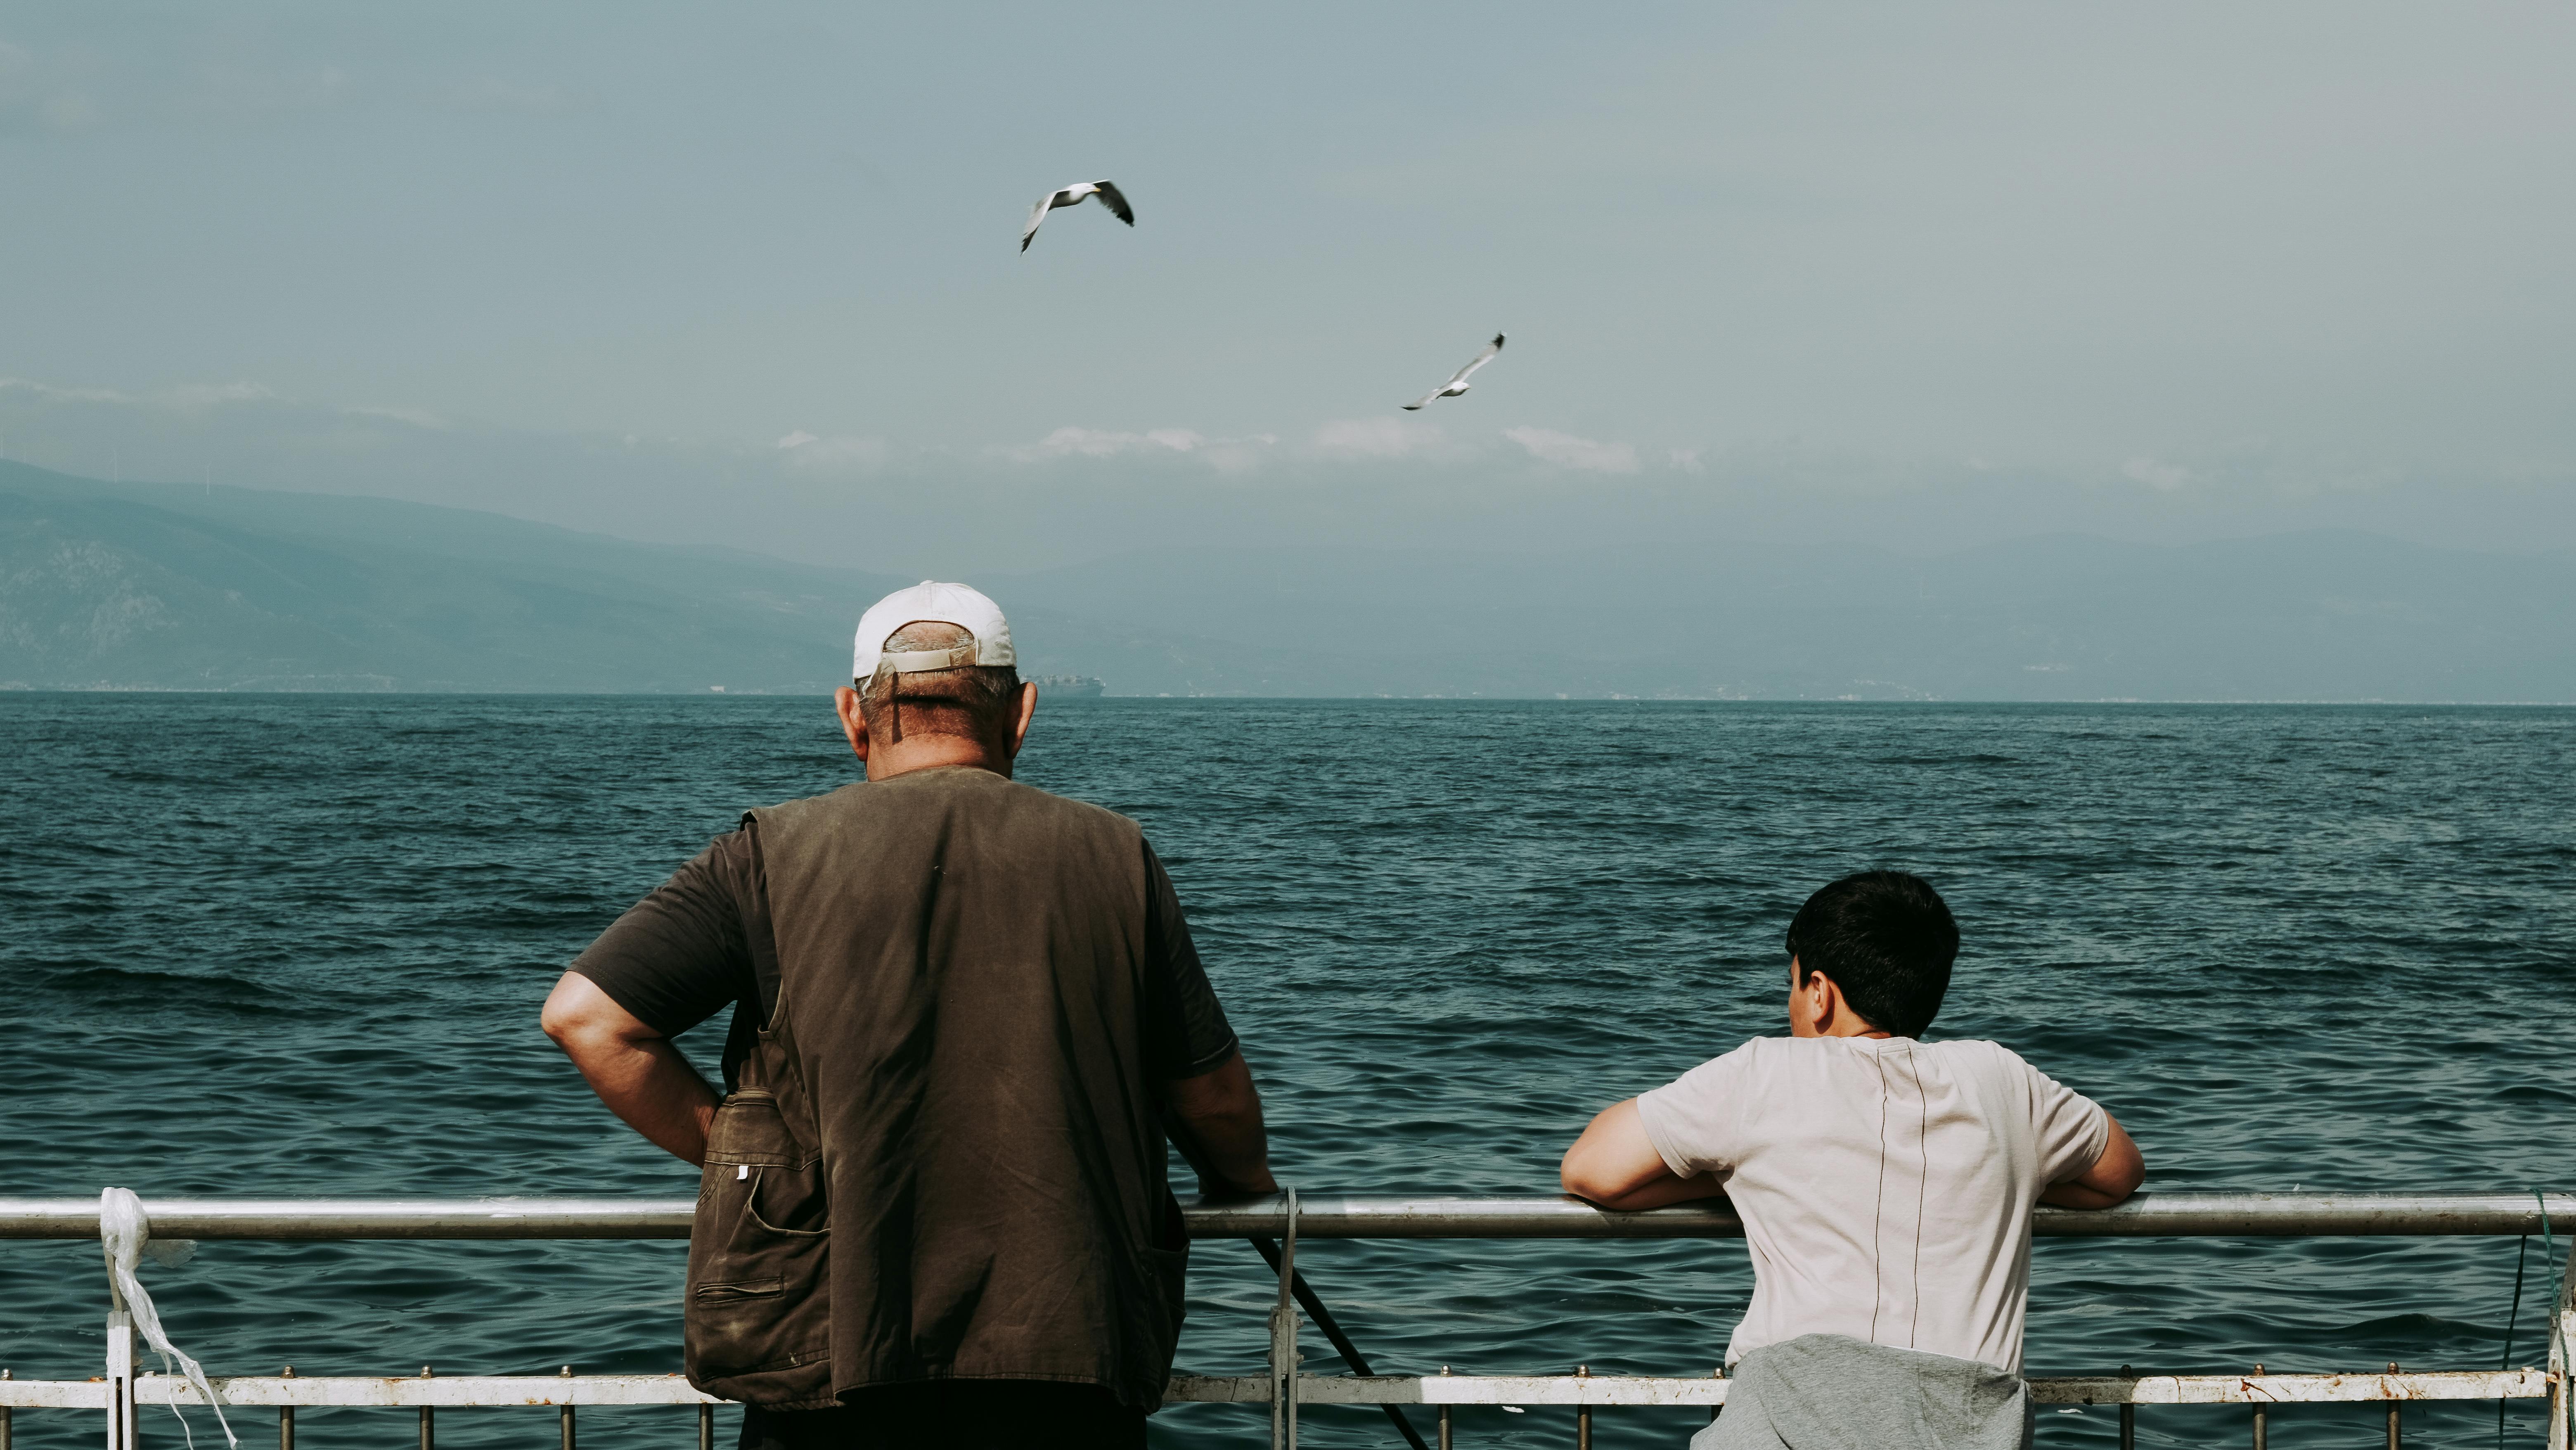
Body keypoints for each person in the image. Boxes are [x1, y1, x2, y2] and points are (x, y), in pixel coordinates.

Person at [541, 580, 1276, 1450]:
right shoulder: (1116, 854)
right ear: (1023, 713)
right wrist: (1243, 1192)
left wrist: (779, 1168)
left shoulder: (767, 855)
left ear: (854, 714)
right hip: (1070, 1349)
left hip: (833, 1350)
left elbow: (588, 1018)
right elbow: (1215, 1100)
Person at [1558, 870, 2143, 1450]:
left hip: (1788, 1418)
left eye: (1790, 986)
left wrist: (1739, 1178)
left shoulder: (1768, 1072)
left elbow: (1592, 1170)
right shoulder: (2003, 1079)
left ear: (1819, 991)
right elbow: (2116, 1176)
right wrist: (1999, 1178)